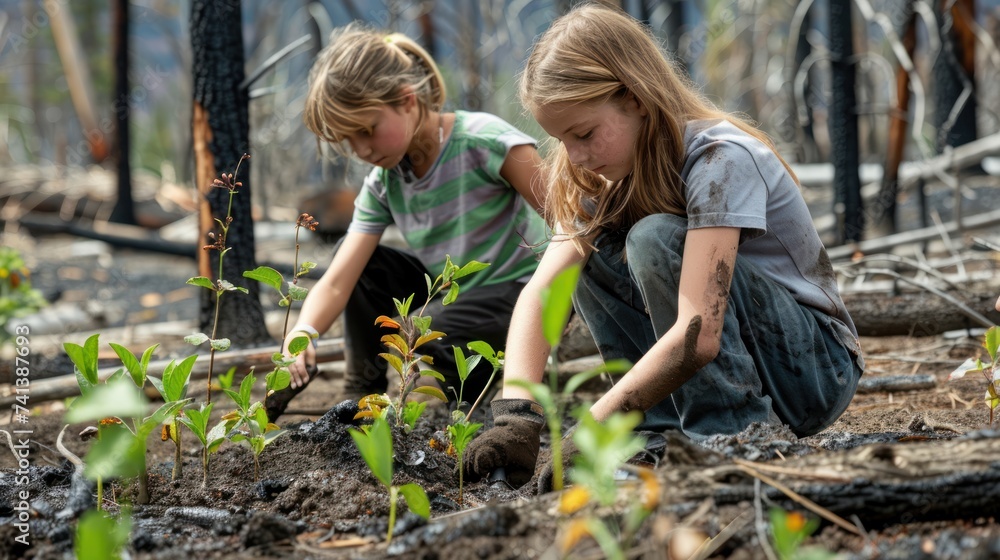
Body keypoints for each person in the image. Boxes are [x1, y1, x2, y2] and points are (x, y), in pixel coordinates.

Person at [463, 3, 865, 491]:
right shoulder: (599, 179)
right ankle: (657, 435)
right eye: (562, 140)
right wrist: (516, 413)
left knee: (653, 238)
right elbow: (543, 291)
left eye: (584, 133)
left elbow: (699, 333)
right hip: (738, 363)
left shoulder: (720, 159)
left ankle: (734, 436)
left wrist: (594, 428)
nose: (576, 156)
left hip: (812, 371)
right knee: (585, 261)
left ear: (634, 97)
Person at [266, 23, 548, 422]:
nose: (361, 149)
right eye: (348, 140)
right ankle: (360, 395)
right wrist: (303, 332)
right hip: (455, 293)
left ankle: (468, 408)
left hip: (522, 290)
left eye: (367, 131)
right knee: (368, 267)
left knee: (432, 328)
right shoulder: (385, 182)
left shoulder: (485, 142)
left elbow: (570, 219)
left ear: (407, 100)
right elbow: (338, 280)